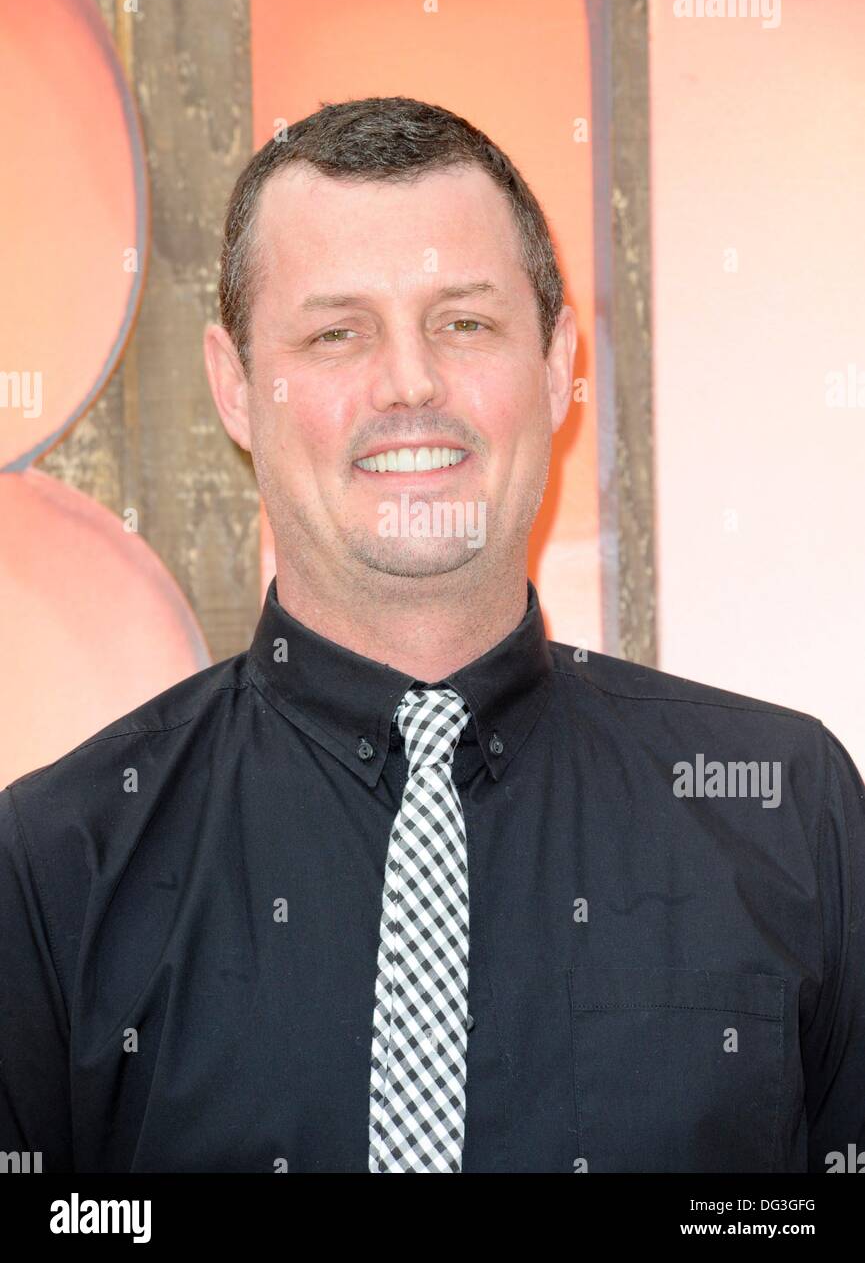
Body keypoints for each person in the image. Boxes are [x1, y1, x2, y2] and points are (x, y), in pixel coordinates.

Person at [1, 97, 862, 1174]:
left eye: (462, 322)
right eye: (335, 332)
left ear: (554, 365)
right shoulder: (52, 866)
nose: (408, 384)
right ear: (234, 386)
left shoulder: (793, 815)